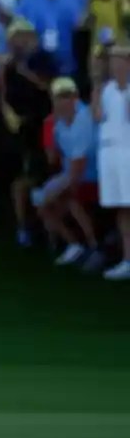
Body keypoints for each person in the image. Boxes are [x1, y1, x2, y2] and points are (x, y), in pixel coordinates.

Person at [0, 18, 57, 247]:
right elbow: (3, 92)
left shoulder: (42, 59)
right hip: (19, 127)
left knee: (40, 176)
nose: (18, 42)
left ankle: (47, 228)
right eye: (14, 38)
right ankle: (24, 225)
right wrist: (8, 114)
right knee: (20, 178)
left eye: (22, 36)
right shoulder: (9, 65)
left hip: (42, 125)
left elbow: (48, 87)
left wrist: (25, 72)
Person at [34, 77, 102, 271]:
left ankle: (94, 246)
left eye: (67, 96)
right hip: (71, 174)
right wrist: (48, 131)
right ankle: (74, 245)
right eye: (58, 97)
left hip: (94, 176)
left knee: (70, 198)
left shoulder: (84, 118)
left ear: (75, 97)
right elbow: (52, 159)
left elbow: (78, 167)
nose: (62, 102)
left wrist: (56, 190)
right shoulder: (57, 123)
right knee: (42, 203)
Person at [94, 46, 130, 280]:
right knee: (121, 209)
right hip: (109, 153)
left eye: (120, 61)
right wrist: (97, 85)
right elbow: (97, 116)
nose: (115, 66)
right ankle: (127, 260)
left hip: (127, 152)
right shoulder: (106, 89)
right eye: (113, 62)